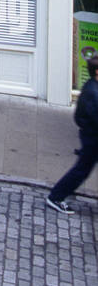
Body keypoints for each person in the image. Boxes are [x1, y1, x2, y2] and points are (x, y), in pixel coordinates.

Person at [47, 56, 98, 213]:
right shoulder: (92, 92)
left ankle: (56, 195)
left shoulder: (92, 87)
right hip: (92, 139)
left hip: (91, 136)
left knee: (82, 169)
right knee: (81, 170)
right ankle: (56, 197)